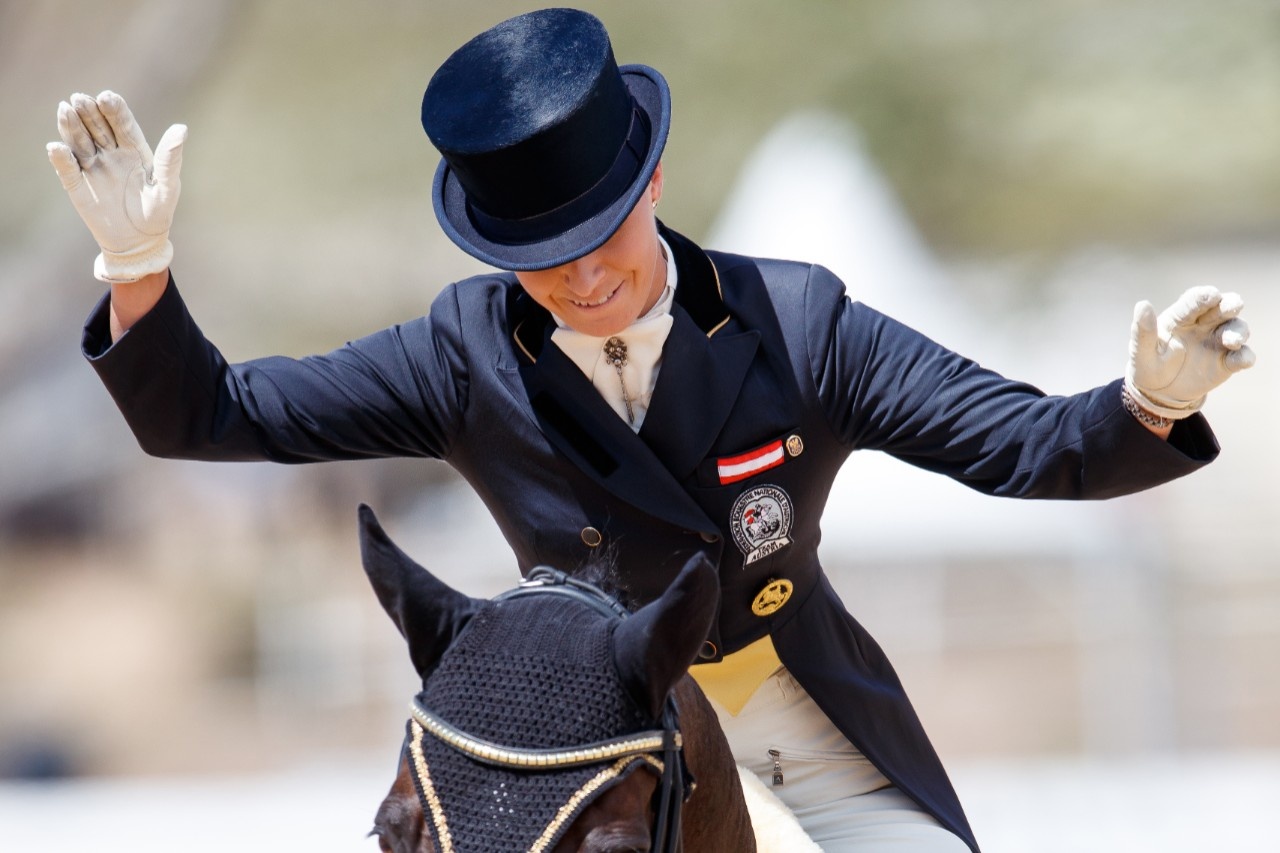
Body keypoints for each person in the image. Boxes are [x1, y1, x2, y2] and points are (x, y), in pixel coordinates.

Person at [47, 9, 1254, 852]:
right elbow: (212, 412)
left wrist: (1150, 403)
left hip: (794, 704)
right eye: (539, 262)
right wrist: (140, 268)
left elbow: (1025, 445)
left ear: (653, 183)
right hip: (575, 726)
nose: (580, 283)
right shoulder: (461, 350)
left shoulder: (801, 323)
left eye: (601, 242)